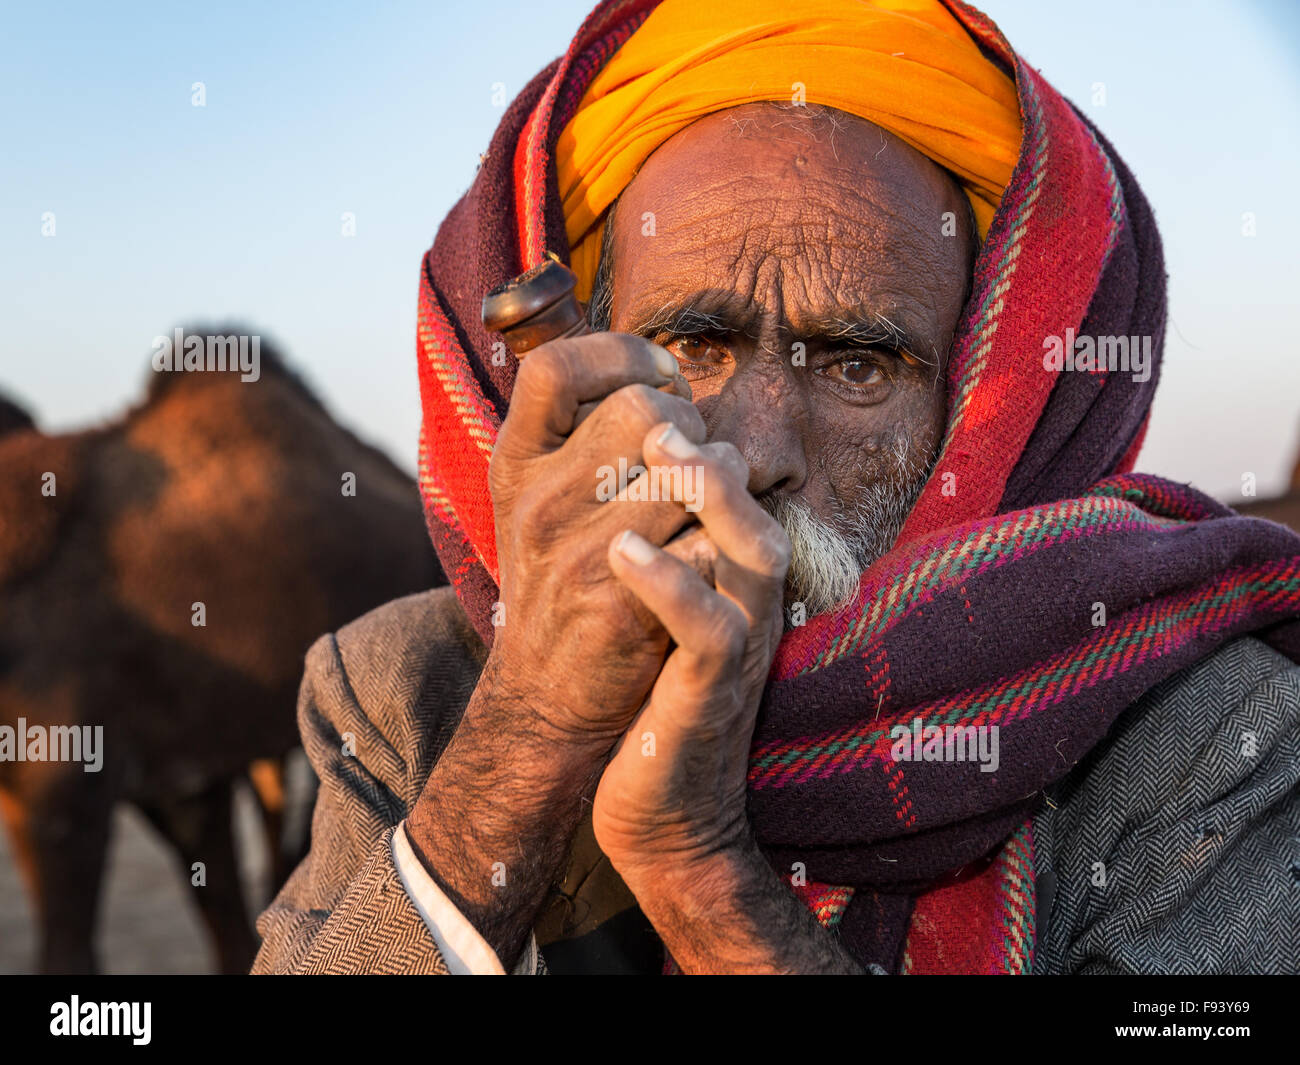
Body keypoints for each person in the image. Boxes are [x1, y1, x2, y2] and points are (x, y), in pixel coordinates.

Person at [253, 0, 1300, 975]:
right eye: (691, 347)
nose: (754, 456)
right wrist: (529, 733)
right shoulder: (407, 692)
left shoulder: (1202, 741)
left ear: (985, 414)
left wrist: (698, 871)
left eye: (857, 366)